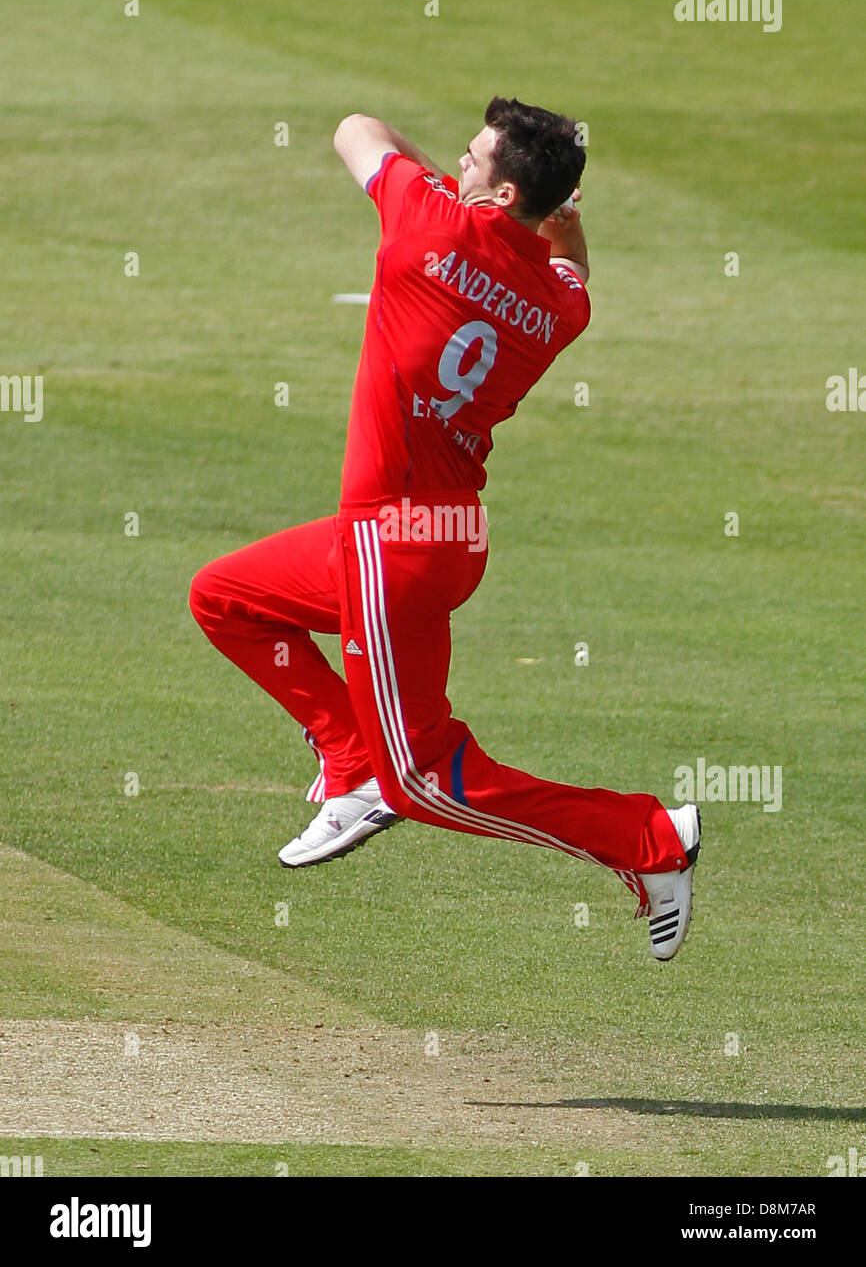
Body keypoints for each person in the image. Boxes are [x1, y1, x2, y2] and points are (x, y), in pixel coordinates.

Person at [189, 97, 700, 961]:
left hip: (392, 550)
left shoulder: (423, 221)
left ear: (500, 196)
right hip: (444, 537)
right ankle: (350, 764)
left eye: (473, 160)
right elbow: (573, 270)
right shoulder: (556, 307)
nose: (456, 166)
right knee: (226, 599)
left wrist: (459, 193)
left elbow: (356, 126)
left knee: (424, 782)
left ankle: (648, 839)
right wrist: (545, 218)